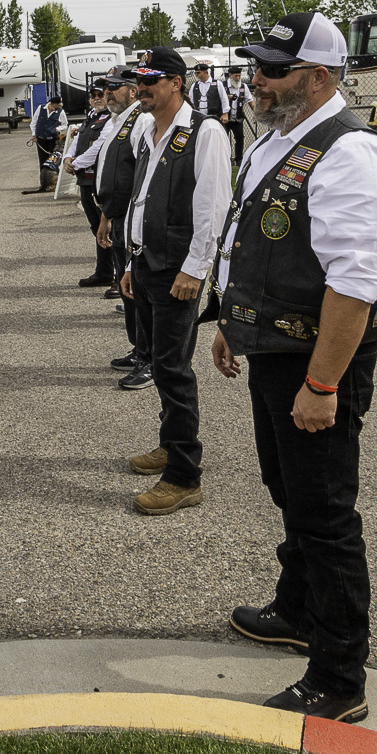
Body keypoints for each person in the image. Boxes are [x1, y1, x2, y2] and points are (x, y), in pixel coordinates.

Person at [210, 9, 377, 723]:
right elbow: (259, 246)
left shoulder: (350, 154)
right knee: (286, 488)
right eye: (256, 67)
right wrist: (234, 325)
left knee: (324, 513)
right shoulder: (280, 141)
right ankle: (297, 610)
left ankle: (339, 674)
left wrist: (322, 385)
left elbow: (355, 283)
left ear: (318, 76)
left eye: (271, 69)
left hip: (317, 364)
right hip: (275, 352)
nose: (255, 80)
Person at [118, 49, 231, 514]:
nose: (141, 88)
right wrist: (129, 261)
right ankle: (170, 442)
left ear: (177, 83)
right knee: (163, 362)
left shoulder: (205, 132)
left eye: (151, 80)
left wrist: (195, 268)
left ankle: (184, 475)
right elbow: (140, 199)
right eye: (138, 81)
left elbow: (213, 205)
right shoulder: (148, 129)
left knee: (172, 368)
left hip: (176, 269)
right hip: (146, 263)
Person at [92, 76, 152, 384]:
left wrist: (119, 215)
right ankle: (138, 347)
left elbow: (139, 175)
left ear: (132, 90)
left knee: (138, 289)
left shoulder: (141, 121)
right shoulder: (118, 121)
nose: (107, 94)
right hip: (117, 217)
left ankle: (149, 357)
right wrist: (106, 215)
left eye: (114, 88)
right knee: (127, 287)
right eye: (106, 89)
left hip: (131, 219)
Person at [64, 83, 111, 283]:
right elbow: (77, 141)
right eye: (93, 95)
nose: (96, 98)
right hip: (84, 179)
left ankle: (112, 274)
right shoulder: (91, 116)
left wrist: (76, 163)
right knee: (95, 227)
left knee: (107, 229)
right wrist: (68, 157)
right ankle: (104, 272)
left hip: (98, 179)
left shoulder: (111, 119)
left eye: (100, 95)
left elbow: (100, 147)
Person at [25, 95, 66, 193]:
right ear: (51, 105)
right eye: (56, 107)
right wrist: (34, 135)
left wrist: (57, 129)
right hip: (41, 139)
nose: (57, 109)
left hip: (52, 139)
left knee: (54, 162)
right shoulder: (40, 108)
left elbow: (65, 125)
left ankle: (54, 183)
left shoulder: (61, 112)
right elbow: (33, 123)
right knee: (43, 162)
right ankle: (43, 184)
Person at [224, 65, 252, 164]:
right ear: (230, 75)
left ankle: (239, 159)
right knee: (224, 140)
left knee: (240, 139)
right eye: (236, 76)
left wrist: (256, 113)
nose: (238, 78)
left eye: (239, 76)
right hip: (225, 119)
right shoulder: (222, 86)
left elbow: (250, 101)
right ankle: (226, 159)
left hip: (238, 118)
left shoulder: (243, 87)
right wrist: (227, 97)